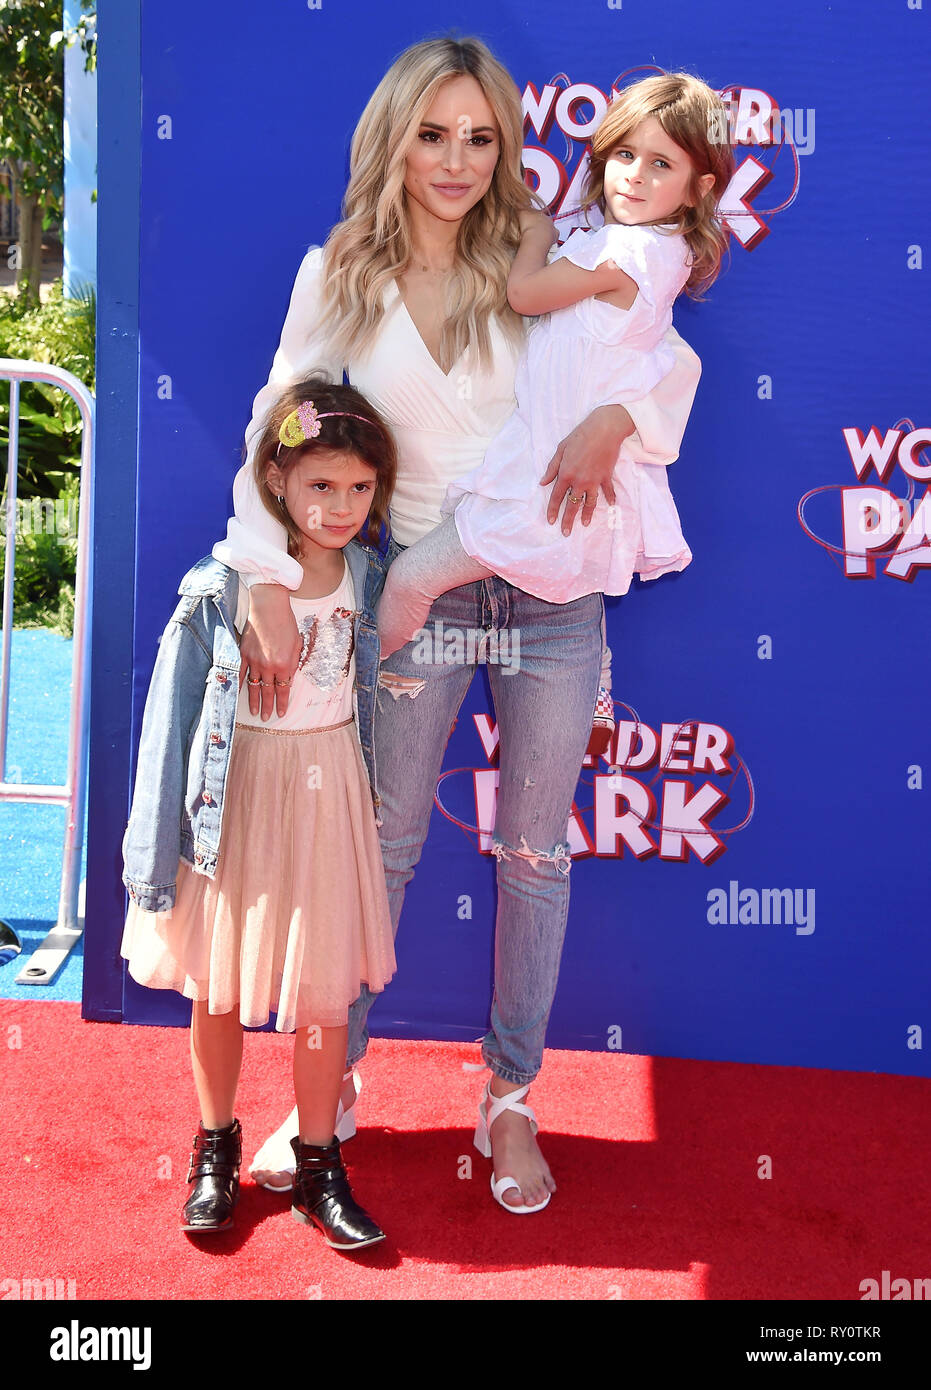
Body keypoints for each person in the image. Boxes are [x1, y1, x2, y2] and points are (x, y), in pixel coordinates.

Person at [214, 37, 717, 1214]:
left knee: (536, 855)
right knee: (380, 847)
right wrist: (262, 572)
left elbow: (662, 347)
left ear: (507, 150)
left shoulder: (538, 249)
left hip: (553, 590)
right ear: (393, 141)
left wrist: (622, 418)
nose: (454, 160)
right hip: (418, 582)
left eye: (480, 138)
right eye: (432, 135)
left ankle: (508, 1096)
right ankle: (330, 1088)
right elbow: (279, 422)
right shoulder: (339, 272)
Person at [120, 377, 398, 1251]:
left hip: (328, 792)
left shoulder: (368, 573)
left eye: (359, 488)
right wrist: (152, 853)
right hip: (236, 796)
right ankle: (215, 1146)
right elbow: (168, 726)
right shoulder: (221, 588)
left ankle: (318, 1163)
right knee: (217, 983)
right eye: (321, 485)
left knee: (324, 989)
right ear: (275, 480)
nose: (341, 507)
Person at [376, 73, 733, 657]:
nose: (635, 175)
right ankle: (597, 672)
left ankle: (377, 670)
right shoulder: (663, 251)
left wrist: (536, 234)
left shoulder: (623, 249)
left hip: (540, 484)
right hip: (565, 482)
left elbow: (524, 295)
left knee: (410, 578)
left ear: (699, 188)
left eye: (661, 164)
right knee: (566, 580)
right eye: (625, 155)